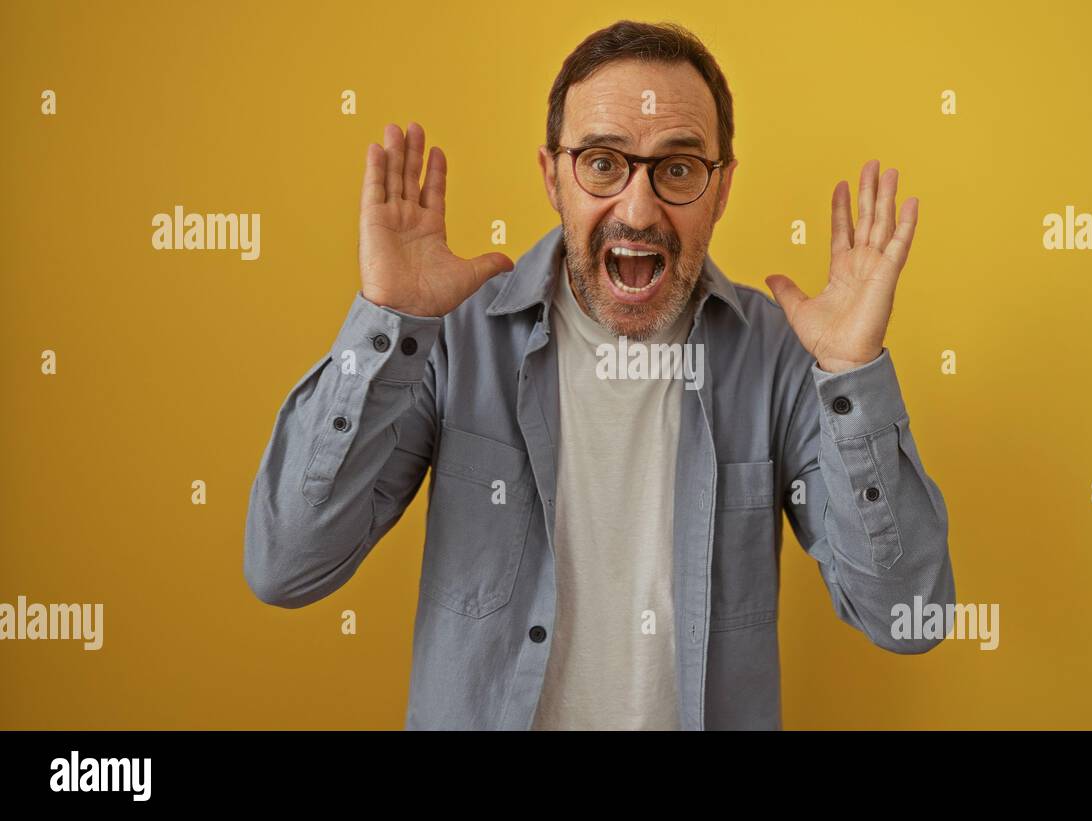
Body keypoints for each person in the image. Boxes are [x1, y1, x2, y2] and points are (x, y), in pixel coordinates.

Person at [244, 19, 955, 730]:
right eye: (603, 163)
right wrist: (387, 322)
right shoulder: (454, 338)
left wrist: (850, 372)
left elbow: (906, 616)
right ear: (552, 175)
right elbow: (287, 564)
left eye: (677, 169)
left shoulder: (776, 357)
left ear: (723, 188)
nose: (638, 210)